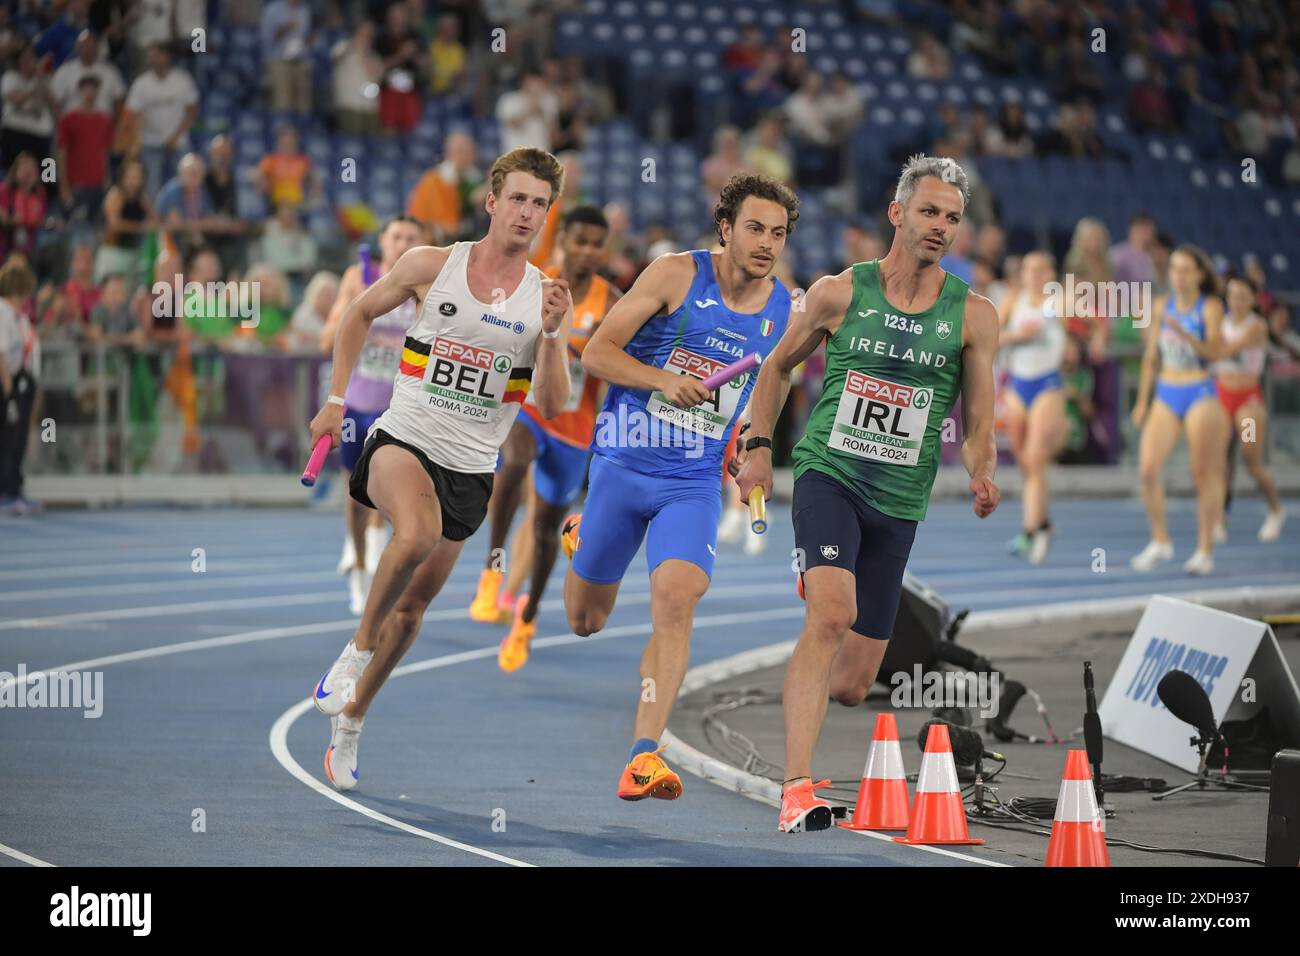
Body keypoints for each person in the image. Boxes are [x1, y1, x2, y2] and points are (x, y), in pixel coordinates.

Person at [736, 155, 1000, 833]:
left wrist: (981, 470)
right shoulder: (837, 293)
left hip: (900, 502)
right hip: (831, 473)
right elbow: (776, 367)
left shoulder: (973, 315)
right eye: (929, 212)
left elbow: (979, 423)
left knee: (853, 684)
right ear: (897, 214)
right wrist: (759, 448)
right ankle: (795, 789)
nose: (940, 226)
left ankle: (827, 590)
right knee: (829, 612)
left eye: (951, 217)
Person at [306, 148, 573, 791]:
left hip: (472, 466)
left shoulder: (545, 295)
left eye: (540, 203)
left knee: (415, 609)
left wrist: (557, 334)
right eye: (518, 198)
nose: (527, 212)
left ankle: (352, 721)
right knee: (415, 533)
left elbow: (557, 404)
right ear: (491, 201)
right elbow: (357, 314)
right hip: (403, 436)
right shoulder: (433, 264)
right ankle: (354, 648)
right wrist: (336, 401)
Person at [562, 173, 798, 801]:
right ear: (725, 228)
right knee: (585, 620)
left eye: (778, 233)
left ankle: (643, 753)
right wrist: (661, 379)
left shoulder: (783, 312)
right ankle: (580, 535)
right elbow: (597, 353)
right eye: (755, 228)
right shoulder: (675, 275)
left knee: (676, 601)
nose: (766, 243)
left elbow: (761, 395)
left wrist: (754, 446)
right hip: (621, 464)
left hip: (691, 482)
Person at [485, 205, 622, 671]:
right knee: (516, 456)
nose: (586, 251)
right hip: (531, 408)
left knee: (546, 530)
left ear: (605, 250)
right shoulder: (537, 286)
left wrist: (591, 350)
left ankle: (528, 615)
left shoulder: (612, 303)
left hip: (575, 431)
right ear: (562, 238)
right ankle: (492, 568)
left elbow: (616, 365)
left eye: (595, 244)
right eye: (578, 240)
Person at [319, 216, 423, 614]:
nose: (402, 243)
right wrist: (357, 304)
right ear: (383, 241)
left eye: (412, 238)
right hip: (358, 404)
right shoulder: (357, 277)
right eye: (397, 236)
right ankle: (359, 564)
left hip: (398, 407)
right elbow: (329, 338)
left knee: (384, 487)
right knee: (355, 497)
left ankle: (376, 560)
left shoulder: (423, 285)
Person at [1130, 246, 1230, 576]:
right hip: (1167, 390)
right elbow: (1151, 358)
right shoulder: (1162, 305)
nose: (1179, 276)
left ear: (1200, 274)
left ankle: (1205, 549)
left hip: (1200, 388)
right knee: (1147, 469)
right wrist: (1142, 401)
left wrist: (1188, 335)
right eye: (1174, 269)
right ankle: (1161, 540)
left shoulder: (1210, 307)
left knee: (1203, 474)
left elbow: (1215, 352)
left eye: (1186, 269)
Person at [998, 251, 1068, 564]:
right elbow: (992, 337)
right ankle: (1044, 524)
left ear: (1050, 272)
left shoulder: (1060, 299)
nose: (1035, 275)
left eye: (1041, 270)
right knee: (1026, 463)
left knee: (1036, 458)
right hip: (1018, 384)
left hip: (1047, 384)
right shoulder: (1014, 298)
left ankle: (1028, 531)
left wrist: (1086, 343)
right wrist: (1017, 335)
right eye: (1029, 269)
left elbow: (1094, 323)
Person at [1215, 274, 1286, 542]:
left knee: (1251, 460)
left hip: (1247, 401)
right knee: (1221, 460)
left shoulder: (1256, 326)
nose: (1236, 301)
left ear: (1253, 299)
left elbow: (1227, 348)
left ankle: (1275, 509)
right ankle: (1220, 515)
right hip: (1222, 398)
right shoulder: (1220, 323)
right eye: (1232, 295)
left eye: (1243, 296)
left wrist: (1203, 343)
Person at [0, 257, 41, 515]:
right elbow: (1, 351)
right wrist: (7, 388)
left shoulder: (20, 316)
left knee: (18, 439)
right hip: (9, 383)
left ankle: (15, 487)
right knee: (9, 439)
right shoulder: (3, 312)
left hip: (22, 382)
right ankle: (7, 490)